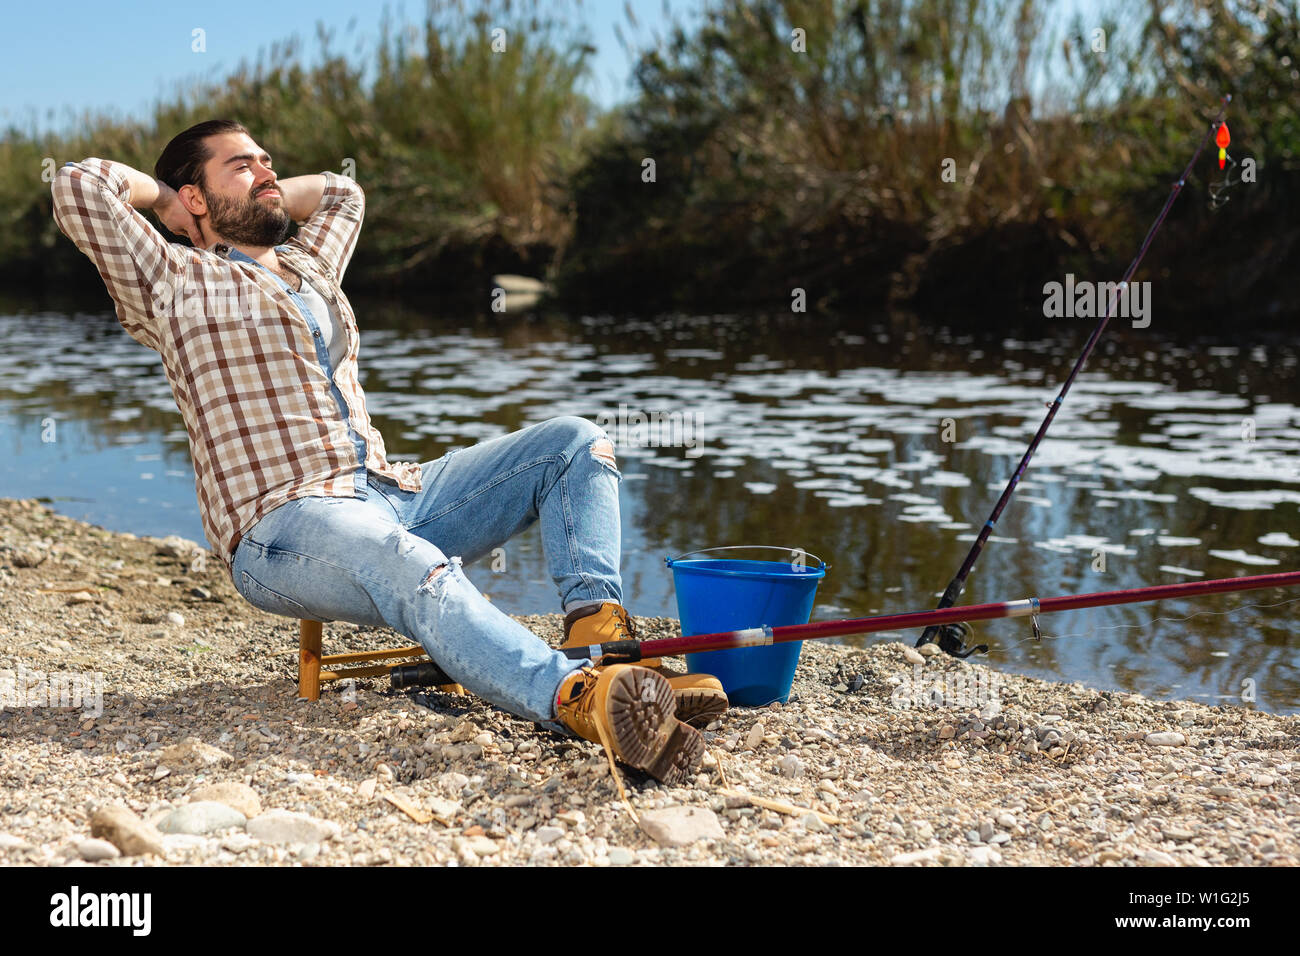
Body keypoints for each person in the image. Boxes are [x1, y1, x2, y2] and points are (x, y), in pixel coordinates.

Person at [50, 119, 726, 785]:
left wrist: (261, 187)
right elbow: (81, 187)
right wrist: (167, 204)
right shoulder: (171, 280)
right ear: (196, 196)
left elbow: (346, 194)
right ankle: (578, 701)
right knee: (412, 564)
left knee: (575, 443)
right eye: (241, 165)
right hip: (283, 525)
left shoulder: (310, 265)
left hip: (388, 493)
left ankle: (601, 644)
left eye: (268, 159)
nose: (267, 172)